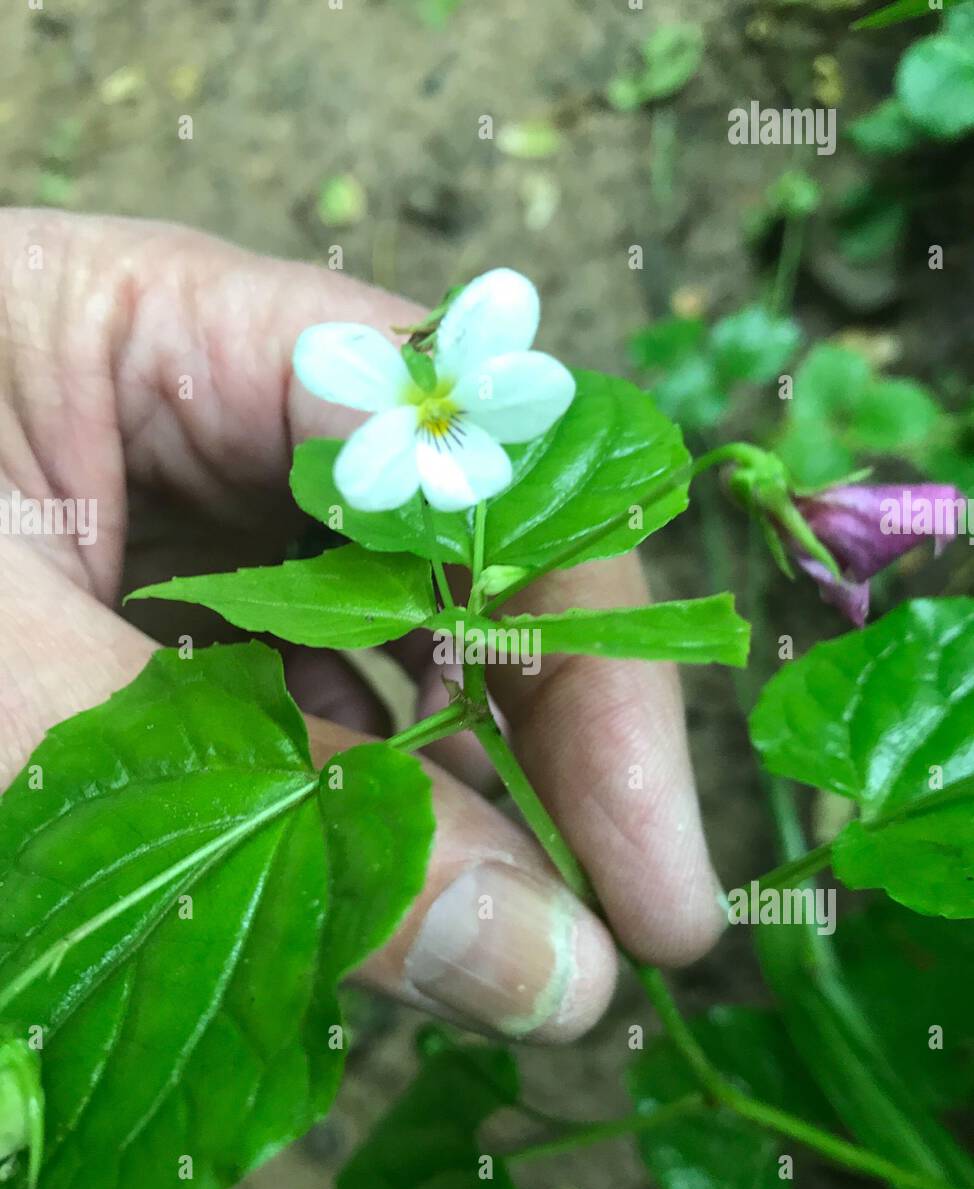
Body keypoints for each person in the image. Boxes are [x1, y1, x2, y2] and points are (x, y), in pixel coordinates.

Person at [0, 210, 723, 1042]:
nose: (440, 408)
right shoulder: (395, 408)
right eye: (433, 397)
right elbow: (391, 424)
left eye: (443, 399)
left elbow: (532, 409)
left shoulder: (430, 417)